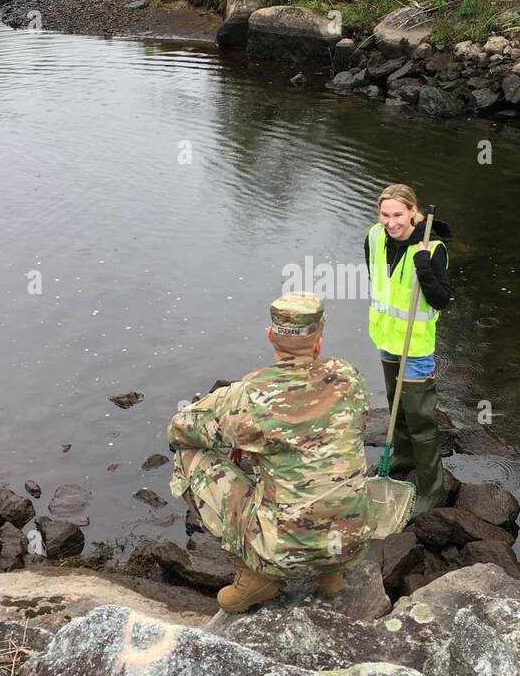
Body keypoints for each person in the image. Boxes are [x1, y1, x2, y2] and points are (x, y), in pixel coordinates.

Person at [167, 292, 376, 613]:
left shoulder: (251, 394)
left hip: (283, 554)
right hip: (352, 543)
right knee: (328, 465)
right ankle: (330, 572)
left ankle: (254, 576)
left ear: (270, 337)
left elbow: (180, 429)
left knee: (187, 456)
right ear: (319, 339)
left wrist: (239, 435)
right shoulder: (350, 377)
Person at [364, 183, 452, 513]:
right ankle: (402, 455)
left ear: (413, 212)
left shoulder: (434, 248)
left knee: (420, 417)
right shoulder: (374, 237)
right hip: (386, 338)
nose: (391, 222)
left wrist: (424, 266)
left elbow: (441, 299)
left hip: (415, 346)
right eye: (385, 214)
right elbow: (378, 282)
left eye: (398, 214)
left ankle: (433, 489)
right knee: (395, 402)